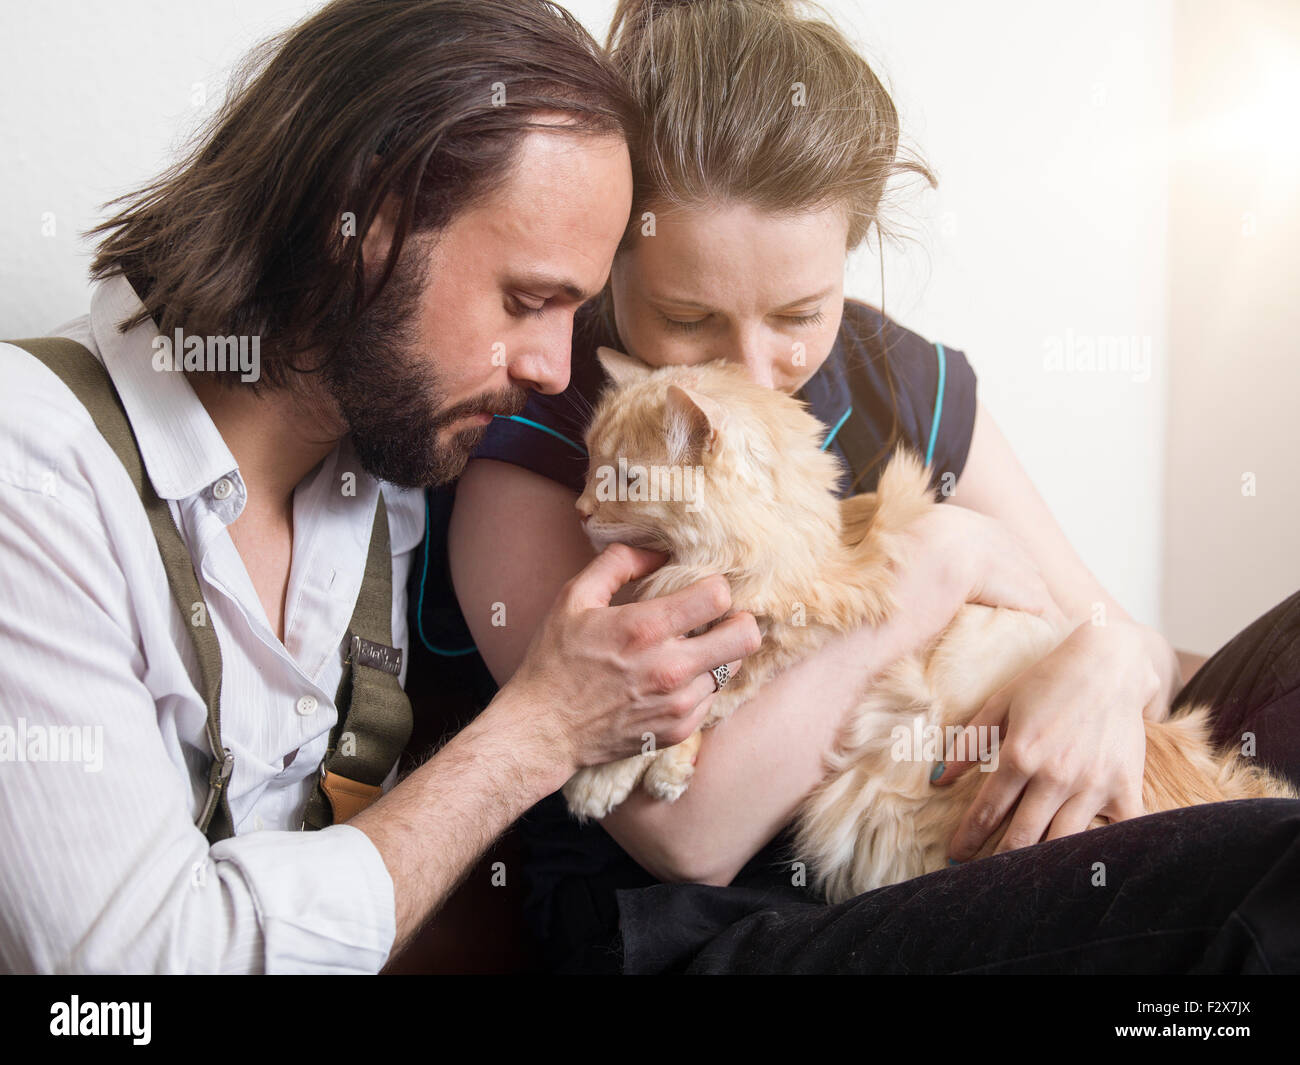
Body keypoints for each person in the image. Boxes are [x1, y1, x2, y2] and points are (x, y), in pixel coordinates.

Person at [440, 0, 1300, 973]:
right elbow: (686, 831)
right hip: (742, 925)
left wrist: (1099, 670)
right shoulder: (550, 442)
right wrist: (933, 562)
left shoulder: (901, 377)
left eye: (800, 312)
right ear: (609, 250)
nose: (755, 369)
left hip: (975, 830)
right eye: (687, 316)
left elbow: (1124, 638)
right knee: (1270, 869)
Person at [0, 0, 770, 974]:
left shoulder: (388, 466)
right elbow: (133, 982)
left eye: (571, 314)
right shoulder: (31, 466)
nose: (548, 366)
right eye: (528, 301)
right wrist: (541, 730)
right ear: (357, 226)